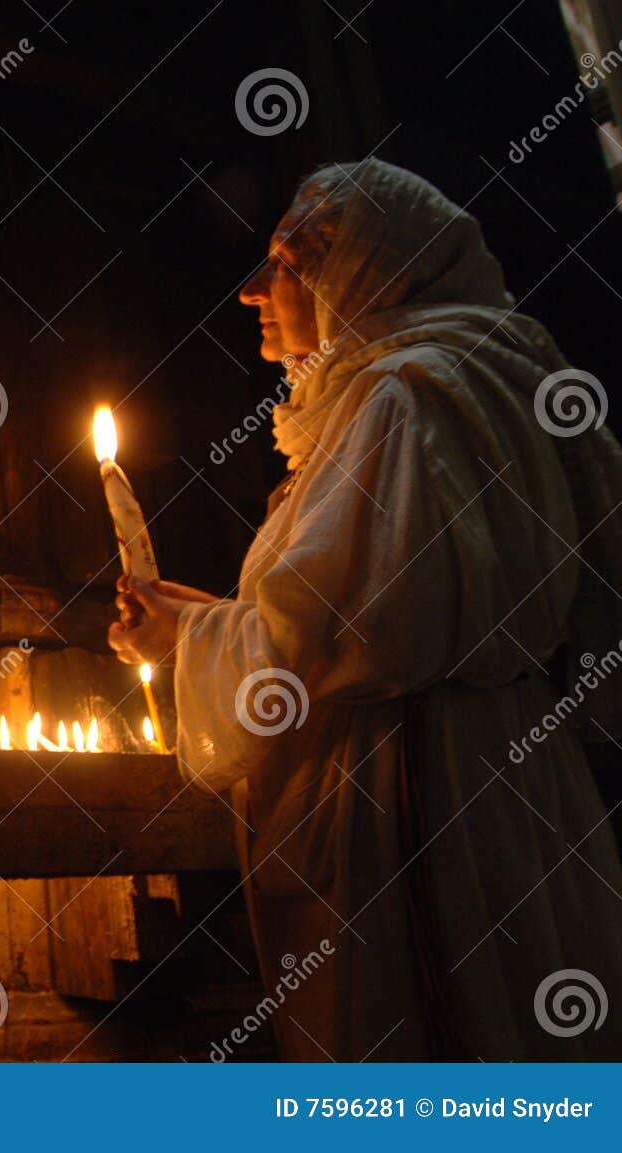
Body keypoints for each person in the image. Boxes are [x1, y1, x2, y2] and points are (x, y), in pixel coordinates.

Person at [108, 159, 622, 1060]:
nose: (251, 292)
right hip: (505, 786)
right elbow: (373, 606)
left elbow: (333, 637)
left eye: (288, 262)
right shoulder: (473, 382)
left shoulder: (403, 399)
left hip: (420, 805)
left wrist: (189, 636)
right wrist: (206, 618)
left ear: (370, 270)